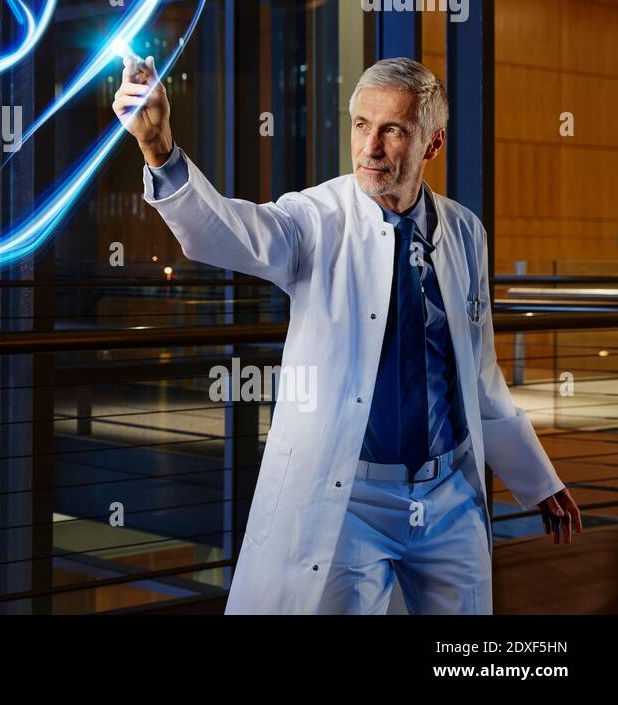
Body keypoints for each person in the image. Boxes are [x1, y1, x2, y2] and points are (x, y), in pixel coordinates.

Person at [113, 54, 581, 615]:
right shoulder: (313, 218)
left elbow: (479, 376)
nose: (370, 148)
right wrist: (159, 149)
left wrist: (538, 479)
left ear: (432, 143)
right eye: (361, 125)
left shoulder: (464, 231)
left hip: (449, 494)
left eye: (393, 131)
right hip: (351, 500)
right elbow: (224, 233)